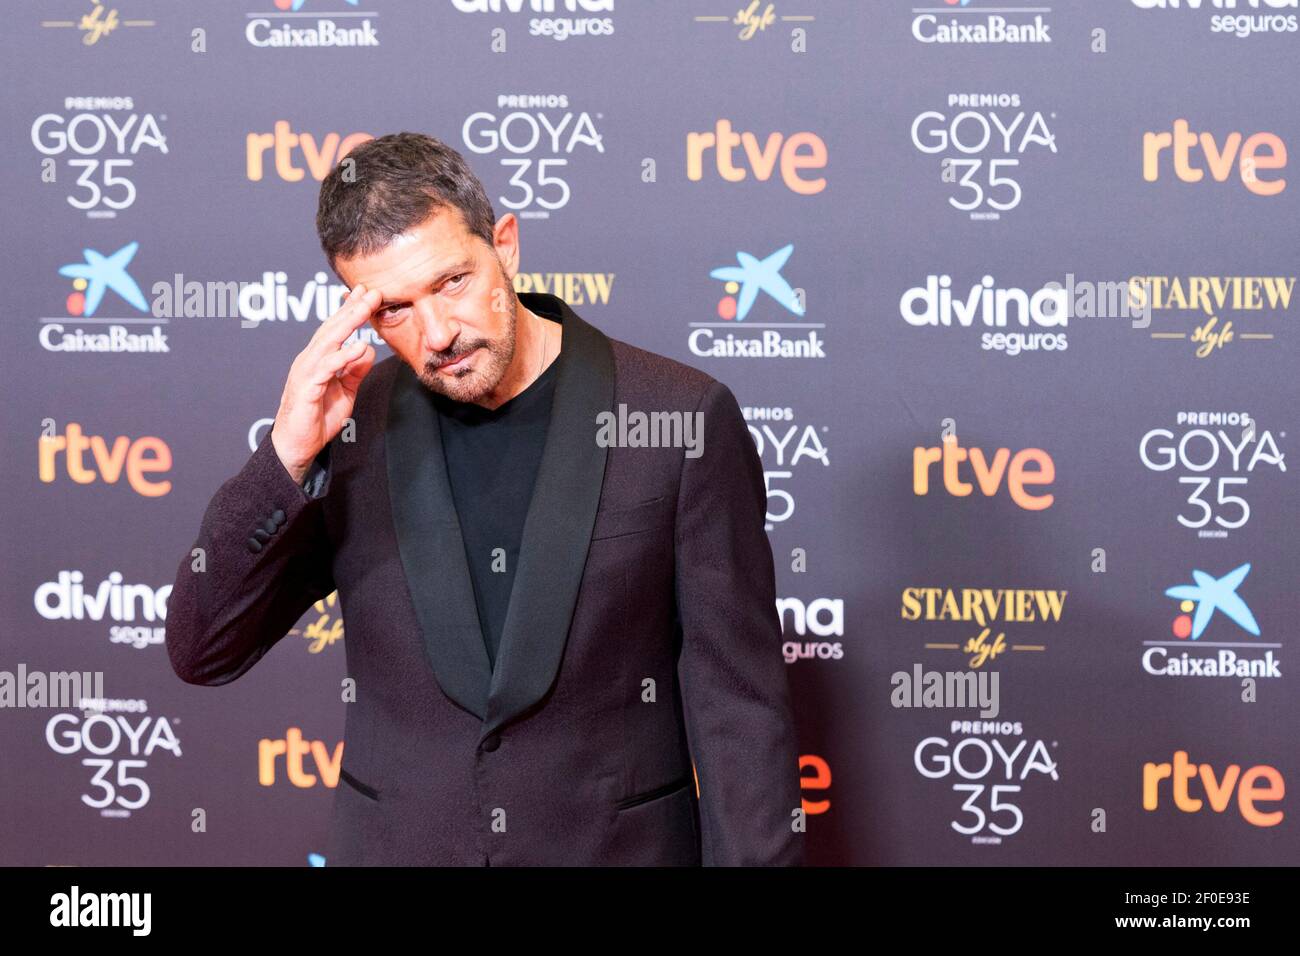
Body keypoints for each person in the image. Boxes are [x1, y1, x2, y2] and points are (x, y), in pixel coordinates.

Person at [165, 132, 804, 866]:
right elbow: (201, 649)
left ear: (505, 244)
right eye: (393, 310)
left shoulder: (679, 419)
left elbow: (740, 718)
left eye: (451, 283)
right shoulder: (349, 432)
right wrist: (284, 455)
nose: (437, 334)